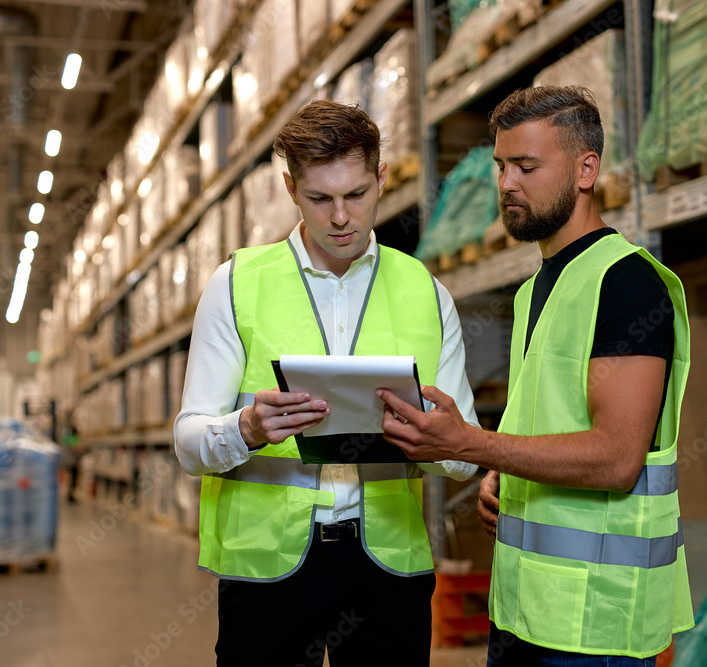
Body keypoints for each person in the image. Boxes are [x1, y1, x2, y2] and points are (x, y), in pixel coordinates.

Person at [377, 86, 693, 666]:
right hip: (525, 611)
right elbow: (548, 421)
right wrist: (504, 476)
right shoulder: (535, 290)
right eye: (500, 166)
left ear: (585, 170)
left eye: (526, 166)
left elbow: (618, 457)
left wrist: (473, 445)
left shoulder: (624, 283)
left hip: (597, 627)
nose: (505, 184)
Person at [173, 99, 480, 667]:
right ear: (291, 188)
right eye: (320, 198)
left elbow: (465, 456)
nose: (341, 217)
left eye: (357, 194)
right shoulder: (236, 284)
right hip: (267, 572)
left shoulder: (427, 293)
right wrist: (246, 428)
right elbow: (189, 443)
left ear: (382, 178)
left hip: (387, 568)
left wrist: (438, 440)